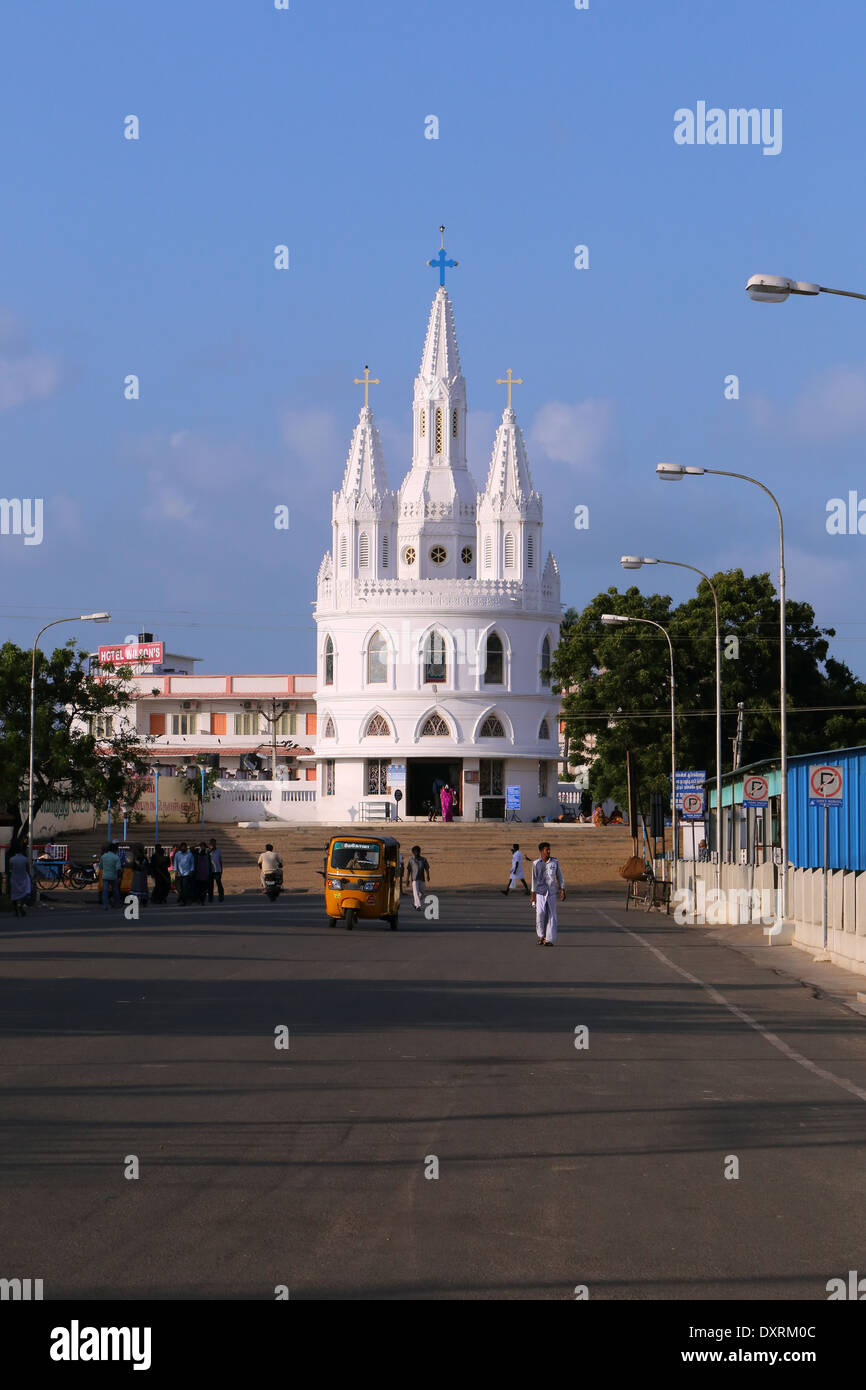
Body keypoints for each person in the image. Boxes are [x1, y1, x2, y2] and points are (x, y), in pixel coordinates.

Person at [530, 841, 566, 946]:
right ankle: (541, 936)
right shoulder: (535, 863)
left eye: (549, 849)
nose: (549, 851)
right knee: (540, 914)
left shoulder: (555, 862)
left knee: (552, 916)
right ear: (541, 851)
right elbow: (534, 880)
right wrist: (532, 896)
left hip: (551, 892)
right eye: (547, 850)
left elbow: (560, 876)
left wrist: (562, 889)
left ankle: (548, 939)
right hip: (540, 893)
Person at [405, 845, 430, 910]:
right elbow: (409, 870)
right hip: (414, 879)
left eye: (417, 852)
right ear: (413, 853)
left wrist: (428, 875)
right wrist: (407, 880)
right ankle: (418, 906)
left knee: (422, 892)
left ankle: (415, 903)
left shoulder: (423, 859)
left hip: (422, 878)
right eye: (414, 852)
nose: (416, 853)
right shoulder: (411, 860)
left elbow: (426, 868)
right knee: (415, 892)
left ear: (419, 852)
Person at [10, 844, 31, 918]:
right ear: (22, 851)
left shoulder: (12, 859)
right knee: (25, 893)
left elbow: (11, 869)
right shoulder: (25, 859)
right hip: (23, 878)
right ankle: (21, 905)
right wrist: (30, 877)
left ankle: (15, 910)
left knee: (14, 894)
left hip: (14, 878)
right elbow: (27, 869)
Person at [100, 842, 122, 910]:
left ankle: (105, 905)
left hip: (105, 876)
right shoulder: (116, 857)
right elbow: (118, 869)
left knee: (105, 891)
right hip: (113, 876)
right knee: (115, 891)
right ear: (115, 850)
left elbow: (101, 866)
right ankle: (116, 904)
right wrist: (119, 877)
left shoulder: (103, 856)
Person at [173, 841, 195, 905]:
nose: (183, 849)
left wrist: (192, 870)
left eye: (184, 848)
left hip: (187, 873)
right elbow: (175, 863)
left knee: (185, 887)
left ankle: (185, 901)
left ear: (186, 848)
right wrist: (175, 870)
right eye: (182, 847)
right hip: (179, 874)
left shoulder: (190, 854)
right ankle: (183, 899)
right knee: (179, 888)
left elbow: (192, 863)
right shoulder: (177, 854)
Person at [130, 845, 149, 911]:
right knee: (138, 887)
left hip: (140, 874)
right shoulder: (138, 858)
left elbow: (144, 866)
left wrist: (138, 865)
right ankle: (139, 900)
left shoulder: (142, 858)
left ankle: (143, 900)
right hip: (138, 874)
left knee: (140, 887)